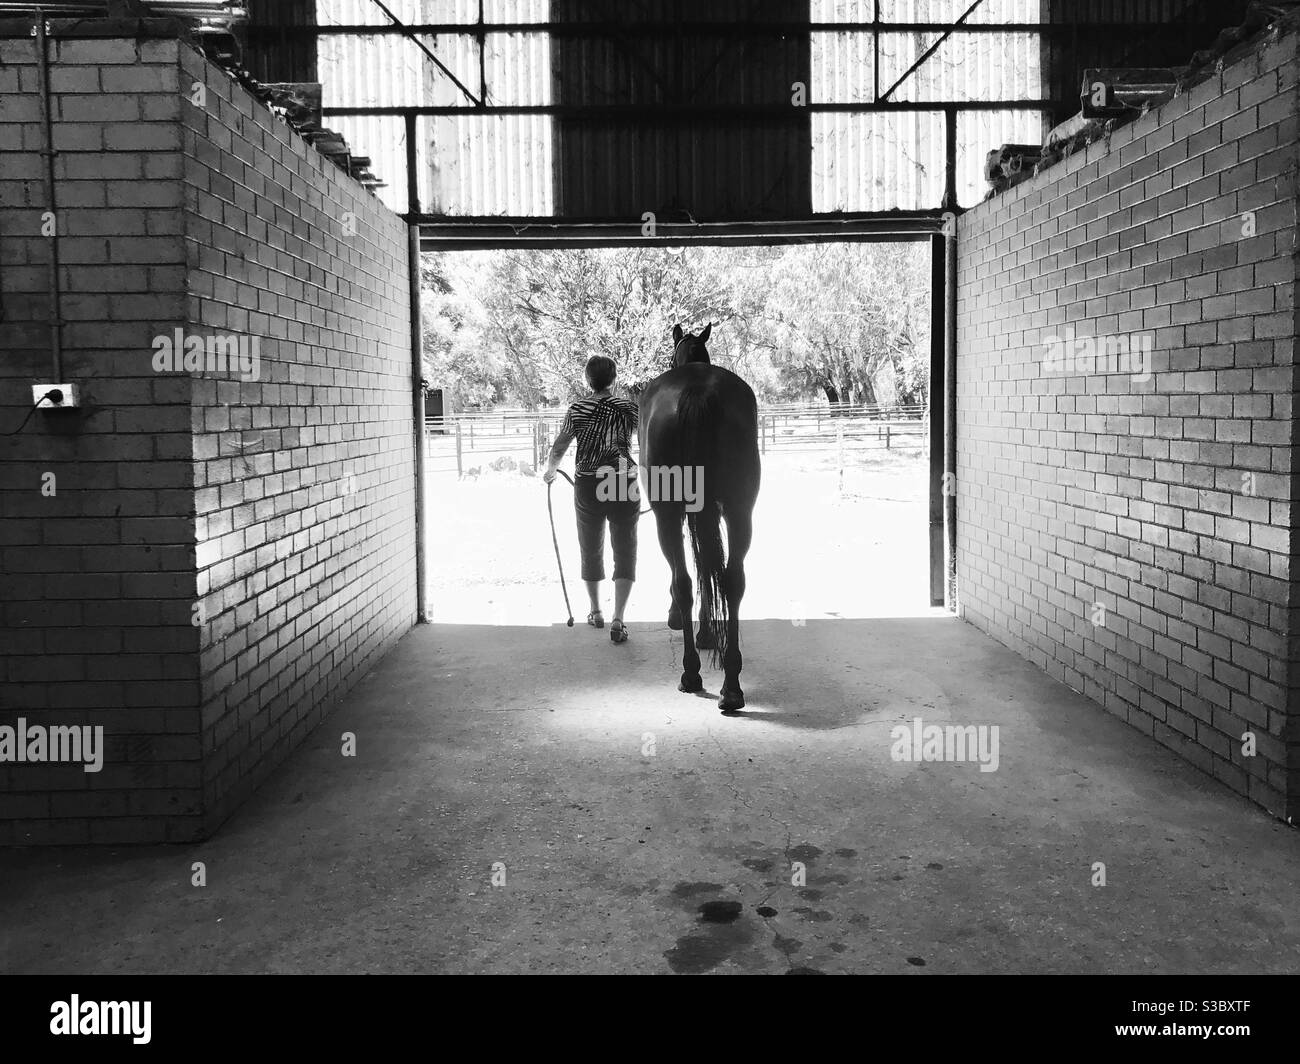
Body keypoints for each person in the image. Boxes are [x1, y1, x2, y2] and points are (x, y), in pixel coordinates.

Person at [543, 356, 639, 643]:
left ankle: (596, 611)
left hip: (588, 483)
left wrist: (550, 471)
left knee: (590, 546)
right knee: (625, 549)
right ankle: (619, 618)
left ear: (588, 380)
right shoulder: (629, 409)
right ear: (614, 380)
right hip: (623, 481)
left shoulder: (577, 409)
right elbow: (644, 439)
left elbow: (561, 444)